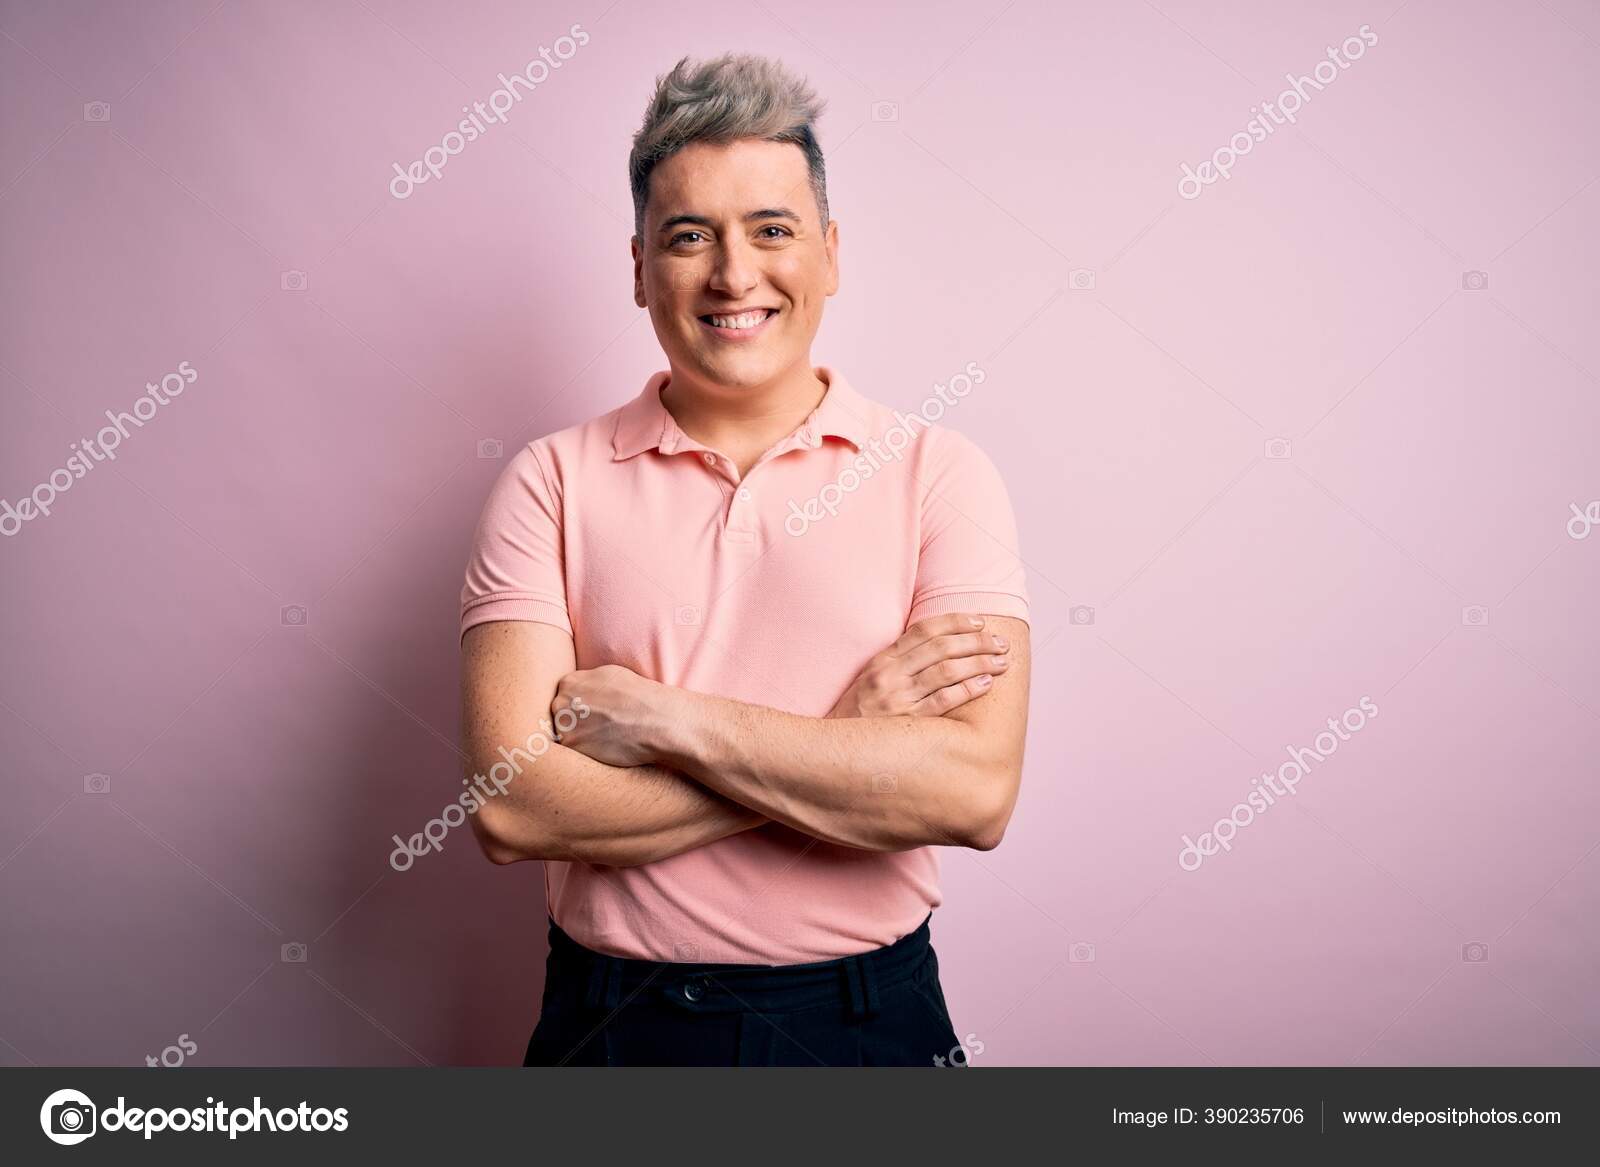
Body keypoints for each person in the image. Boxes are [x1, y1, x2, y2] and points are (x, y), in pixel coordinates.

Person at [459, 52, 1031, 1066]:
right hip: (613, 1023)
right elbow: (509, 805)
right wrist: (847, 743)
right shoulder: (548, 481)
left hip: (867, 1022)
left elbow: (971, 795)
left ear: (829, 254)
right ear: (638, 269)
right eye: (689, 238)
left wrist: (666, 720)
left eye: (771, 230)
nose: (734, 274)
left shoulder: (940, 474)